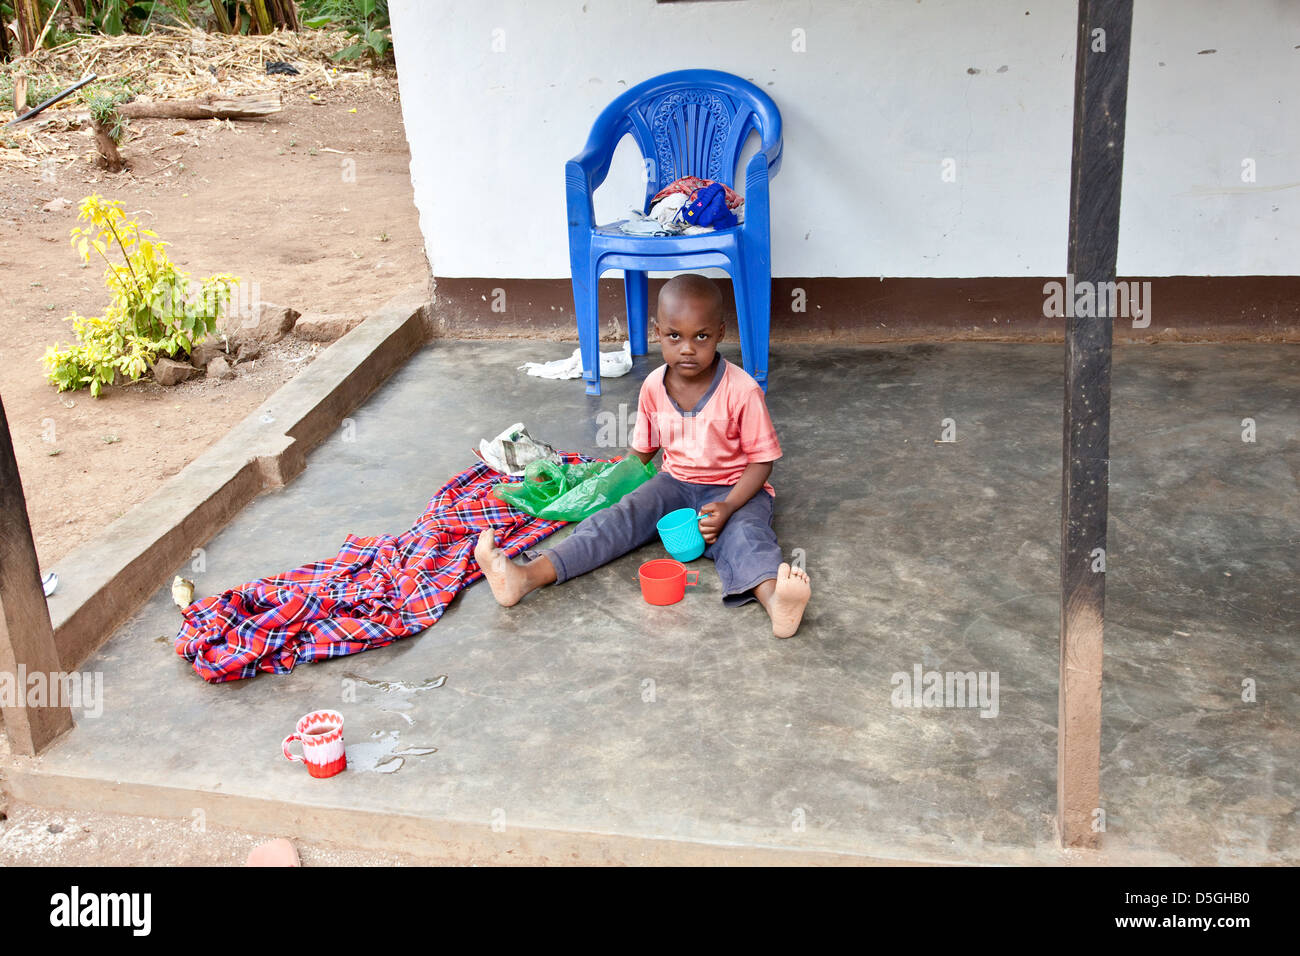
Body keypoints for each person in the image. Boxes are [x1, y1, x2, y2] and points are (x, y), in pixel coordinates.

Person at [476, 273, 811, 638]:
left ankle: (777, 601)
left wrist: (729, 505)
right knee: (617, 519)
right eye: (674, 336)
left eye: (701, 336)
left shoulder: (742, 390)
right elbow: (644, 450)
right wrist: (610, 484)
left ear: (720, 333)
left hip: (734, 489)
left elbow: (762, 460)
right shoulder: (653, 386)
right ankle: (524, 577)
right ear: (657, 332)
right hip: (675, 484)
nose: (687, 348)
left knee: (747, 536)